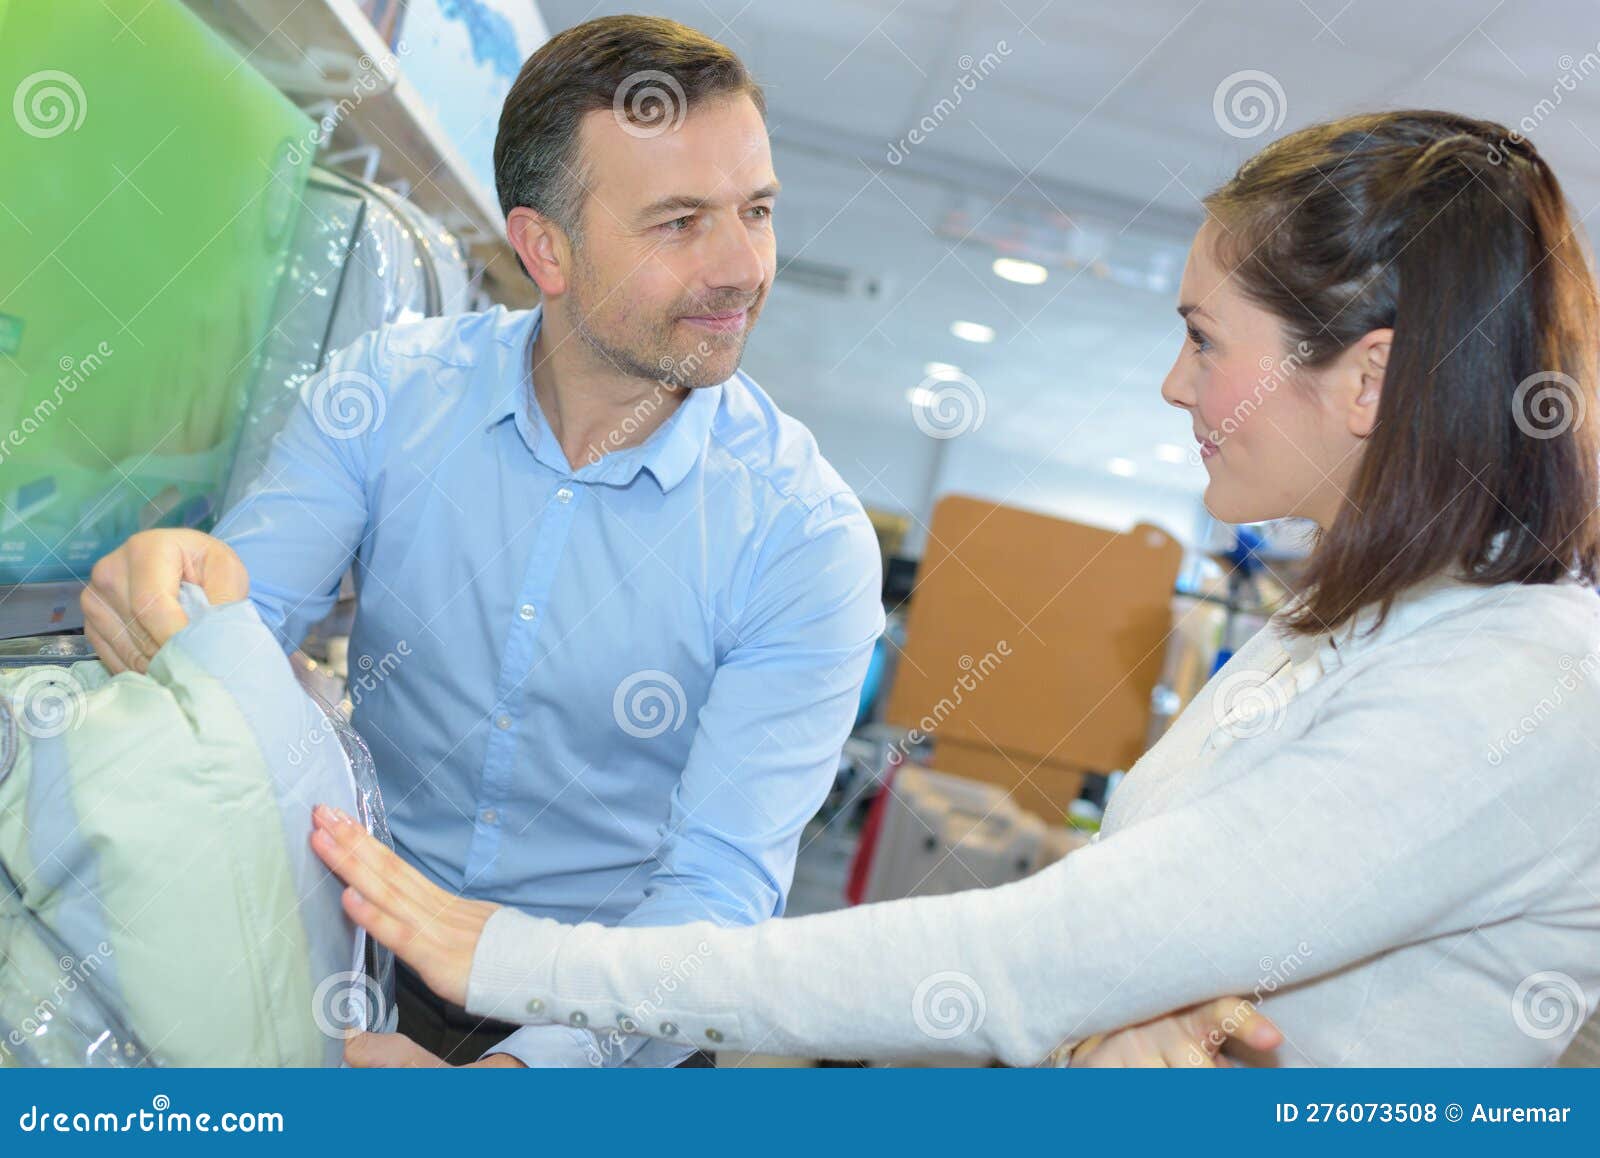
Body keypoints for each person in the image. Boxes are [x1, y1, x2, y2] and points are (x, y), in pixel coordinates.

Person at [79, 14, 1261, 1070]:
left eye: (756, 210)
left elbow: (714, 891)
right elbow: (233, 623)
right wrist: (176, 603)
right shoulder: (388, 394)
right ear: (544, 250)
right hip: (337, 941)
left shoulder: (802, 540)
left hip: (615, 1020)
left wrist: (515, 1079)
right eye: (680, 222)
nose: (742, 266)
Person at [308, 109, 1600, 1066]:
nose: (1173, 385)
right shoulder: (1329, 633)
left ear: (1368, 379)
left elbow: (1029, 956)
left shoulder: (1522, 677)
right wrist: (1120, 1007)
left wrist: (513, 955)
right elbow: (1125, 948)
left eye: (1206, 339)